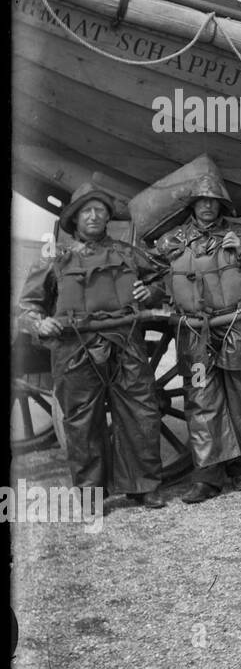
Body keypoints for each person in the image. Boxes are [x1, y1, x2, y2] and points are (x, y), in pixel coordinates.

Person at [18, 179, 168, 508]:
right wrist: (39, 323)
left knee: (140, 414)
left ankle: (145, 485)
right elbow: (27, 307)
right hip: (74, 349)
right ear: (75, 219)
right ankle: (90, 498)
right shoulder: (54, 259)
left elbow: (161, 279)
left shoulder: (127, 253)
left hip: (126, 344)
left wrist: (151, 291)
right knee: (81, 424)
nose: (94, 216)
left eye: (100, 211)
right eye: (87, 211)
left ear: (106, 218)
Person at [152, 167, 241, 502]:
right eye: (201, 201)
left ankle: (240, 470)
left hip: (240, 327)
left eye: (213, 201)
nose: (207, 206)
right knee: (200, 400)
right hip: (194, 333)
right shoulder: (171, 241)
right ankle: (207, 477)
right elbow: (152, 279)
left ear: (222, 205)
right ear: (192, 205)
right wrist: (144, 290)